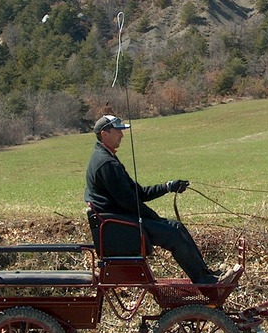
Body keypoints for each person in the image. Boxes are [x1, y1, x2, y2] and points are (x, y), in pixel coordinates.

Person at [85, 114, 234, 286]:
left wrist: (168, 186)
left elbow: (138, 193)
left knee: (176, 227)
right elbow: (128, 202)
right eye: (118, 131)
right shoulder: (106, 164)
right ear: (104, 134)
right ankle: (205, 281)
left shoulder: (107, 158)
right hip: (121, 225)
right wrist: (153, 217)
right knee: (173, 234)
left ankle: (206, 275)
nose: (122, 135)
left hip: (122, 220)